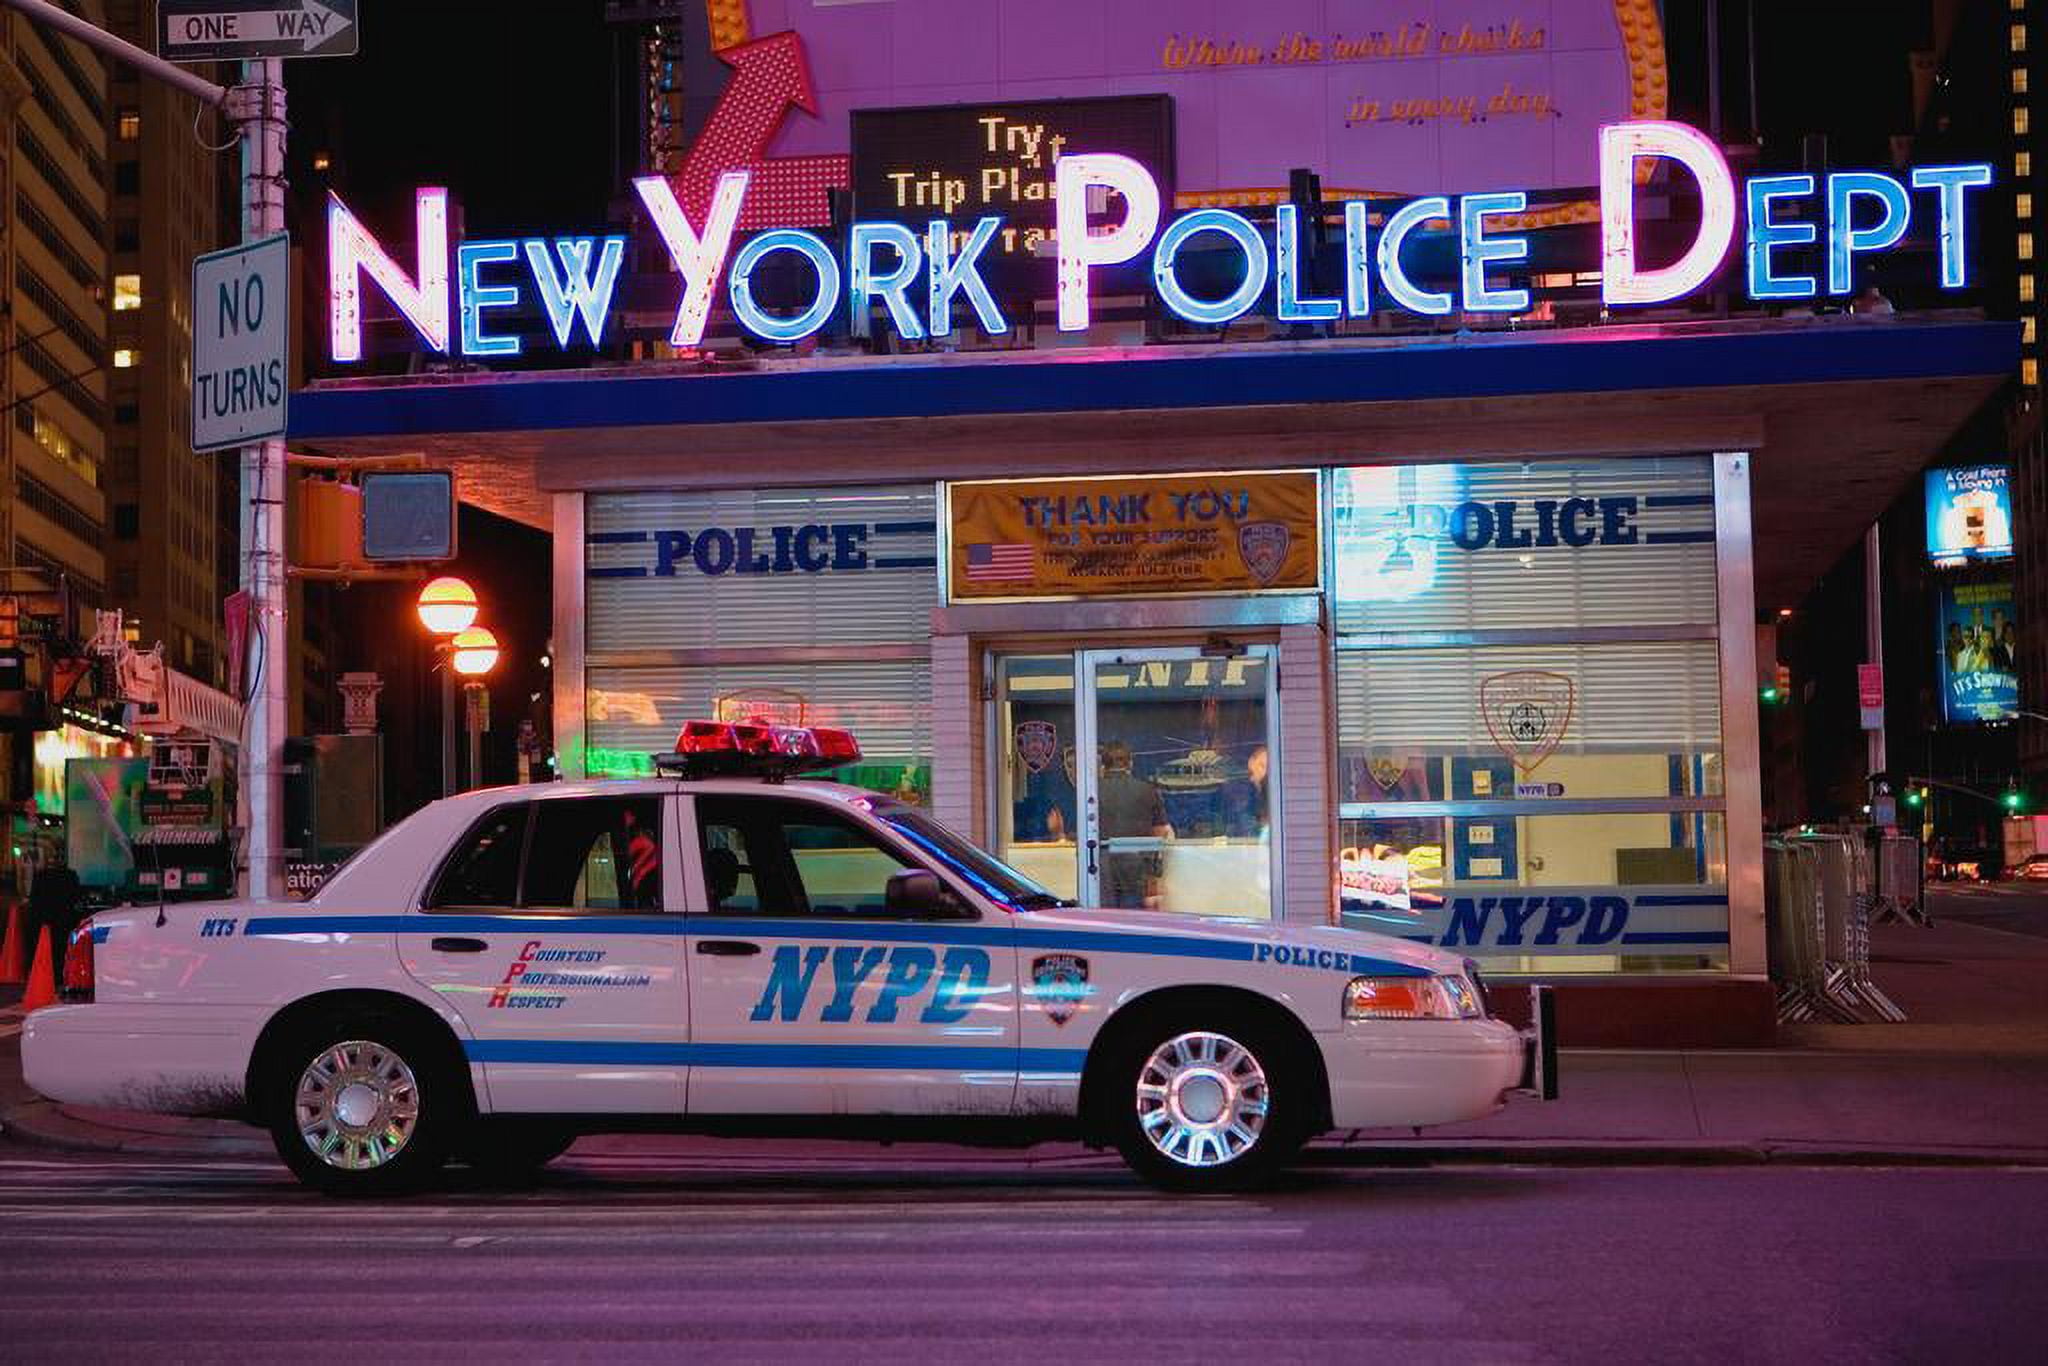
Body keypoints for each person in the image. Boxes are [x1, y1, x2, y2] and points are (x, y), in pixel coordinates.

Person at [1096, 741, 1172, 909]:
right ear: (1130, 763)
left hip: (1102, 869)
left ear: (1103, 765)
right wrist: (1154, 872)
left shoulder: (1091, 791)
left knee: (1104, 922)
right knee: (1132, 922)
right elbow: (1160, 832)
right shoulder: (1147, 790)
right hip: (1136, 868)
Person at [25, 851, 83, 970]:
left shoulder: (41, 876)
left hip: (44, 920)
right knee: (62, 948)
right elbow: (76, 897)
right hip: (64, 919)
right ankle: (60, 972)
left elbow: (34, 898)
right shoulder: (70, 875)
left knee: (46, 949)